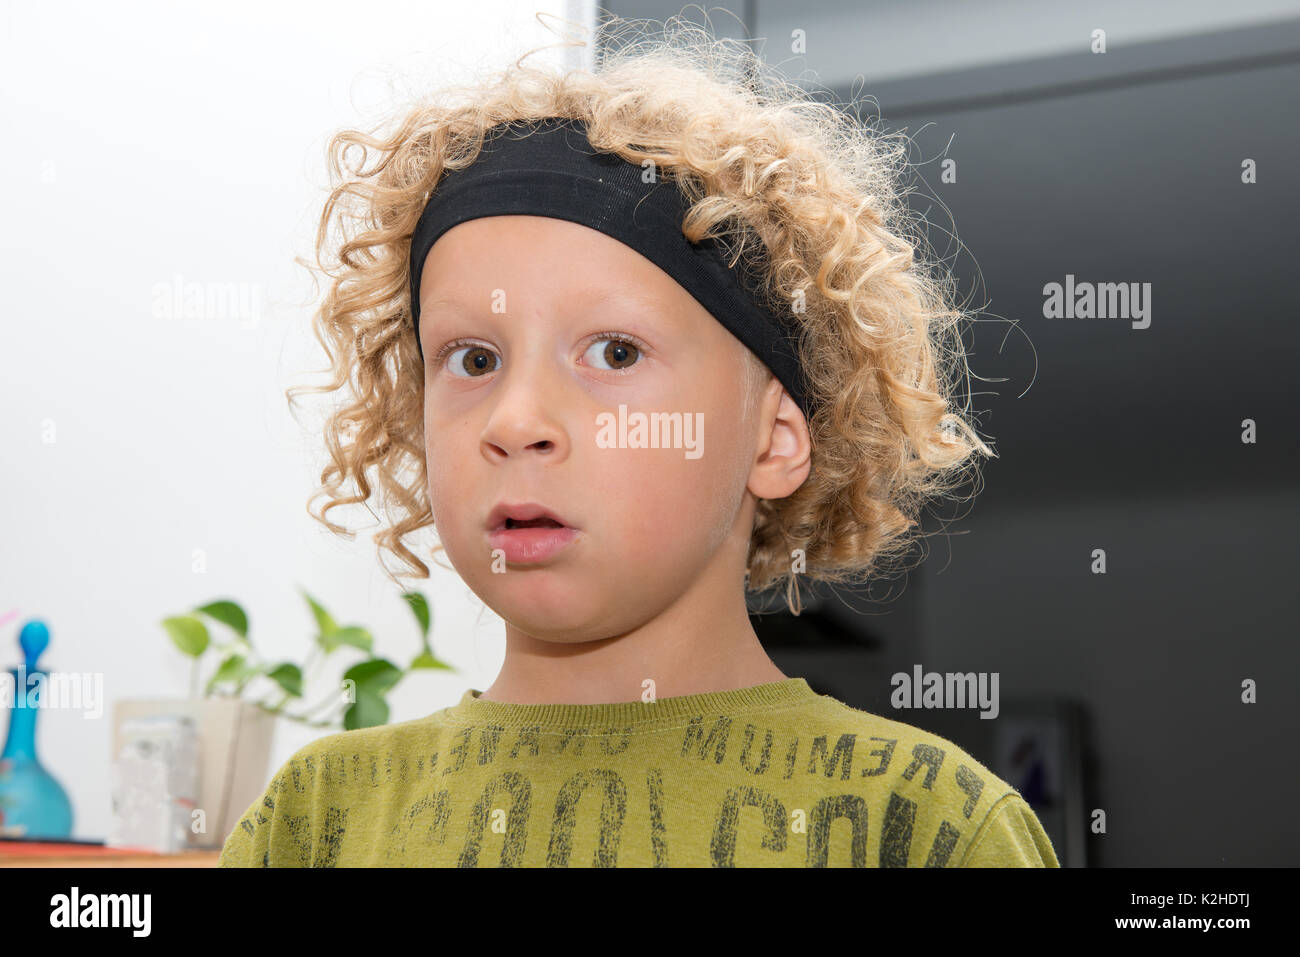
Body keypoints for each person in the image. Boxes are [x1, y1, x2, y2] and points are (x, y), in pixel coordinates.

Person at [219, 15, 1058, 867]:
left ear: (771, 438)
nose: (515, 422)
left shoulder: (929, 826)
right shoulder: (316, 821)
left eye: (614, 352)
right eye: (473, 359)